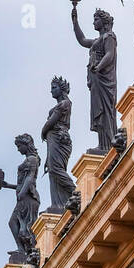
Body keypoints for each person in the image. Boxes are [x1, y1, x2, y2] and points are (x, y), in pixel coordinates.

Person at [70, 5, 118, 151]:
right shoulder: (97, 40)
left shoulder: (109, 36)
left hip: (104, 79)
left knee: (105, 110)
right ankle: (103, 144)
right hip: (96, 79)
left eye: (95, 19)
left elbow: (109, 55)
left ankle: (108, 144)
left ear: (103, 22)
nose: (93, 23)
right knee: (99, 109)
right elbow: (82, 40)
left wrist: (99, 67)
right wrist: (75, 22)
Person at [41, 77, 77, 212]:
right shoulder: (61, 104)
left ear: (61, 89)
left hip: (60, 138)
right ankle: (58, 204)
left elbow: (51, 122)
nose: (51, 91)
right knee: (52, 170)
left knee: (56, 169)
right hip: (53, 140)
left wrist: (43, 131)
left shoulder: (64, 104)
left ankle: (76, 192)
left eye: (54, 88)